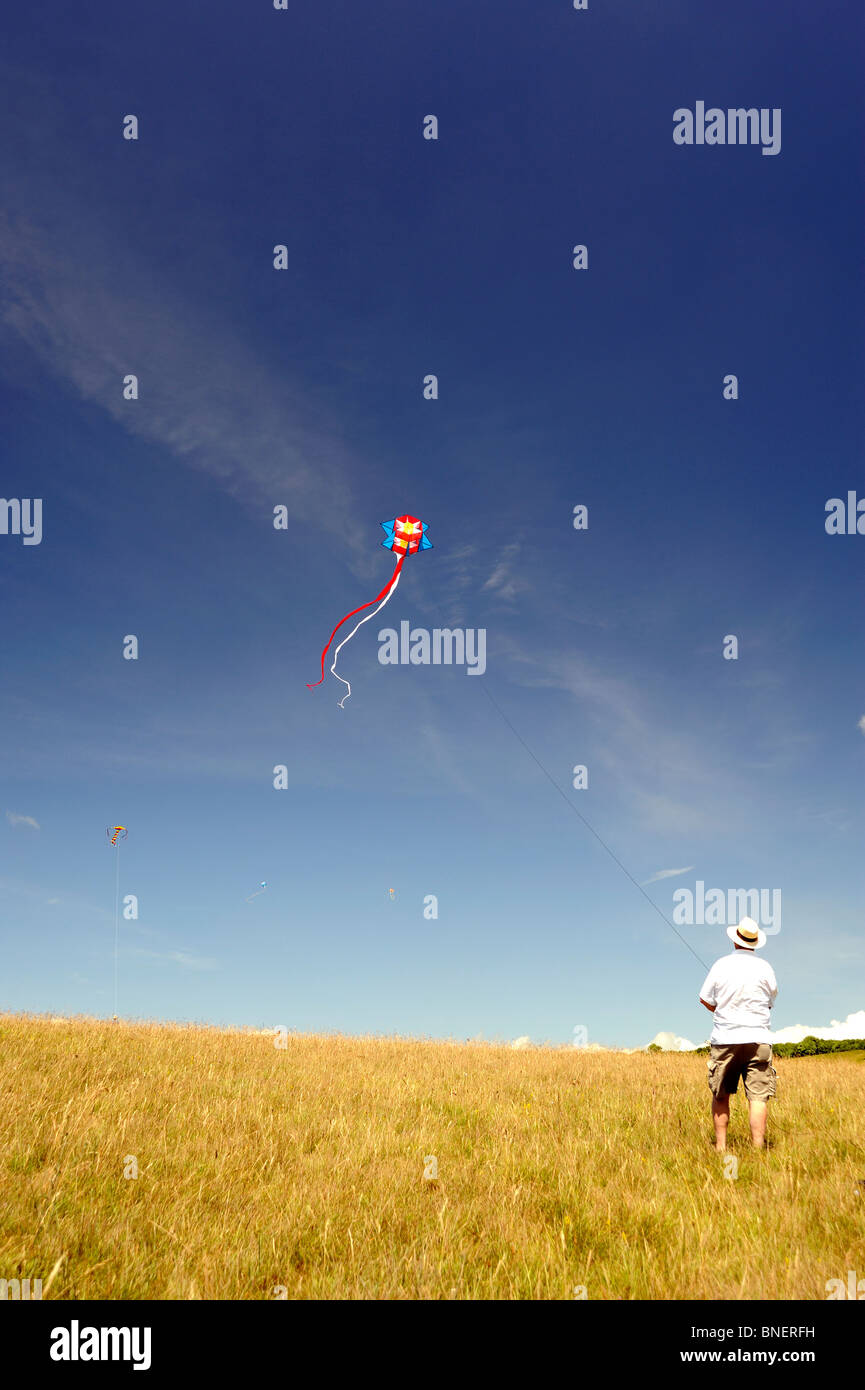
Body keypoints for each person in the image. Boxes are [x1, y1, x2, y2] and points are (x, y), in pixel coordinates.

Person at [698, 918, 778, 1151]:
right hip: (759, 1038)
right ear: (755, 942)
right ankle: (757, 1148)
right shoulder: (765, 967)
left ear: (735, 940)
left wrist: (721, 1010)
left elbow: (705, 999)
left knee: (721, 1095)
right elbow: (770, 1002)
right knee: (758, 1097)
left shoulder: (721, 965)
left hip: (726, 1038)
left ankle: (721, 1147)